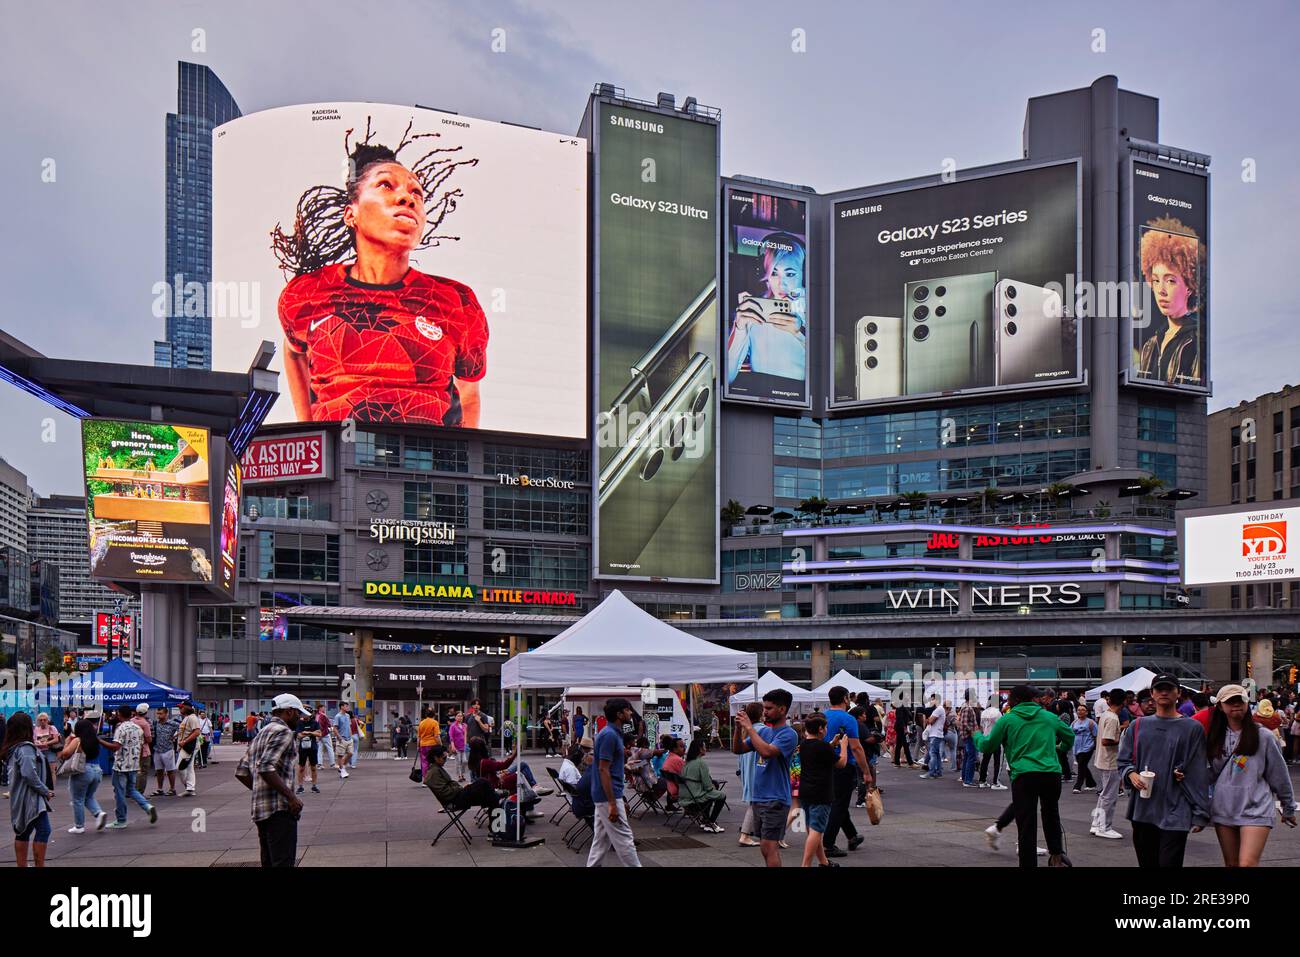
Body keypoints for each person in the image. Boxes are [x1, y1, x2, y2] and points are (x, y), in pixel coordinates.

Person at [275, 132, 488, 425]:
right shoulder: (305, 294)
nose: (406, 198)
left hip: (424, 462)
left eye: (417, 193)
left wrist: (461, 463)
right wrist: (309, 429)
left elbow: (469, 396)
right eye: (385, 185)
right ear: (352, 214)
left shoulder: (456, 301)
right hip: (342, 460)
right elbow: (293, 351)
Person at [1116, 673, 1211, 868]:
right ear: (1152, 693)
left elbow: (1199, 770)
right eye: (1159, 688)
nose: (1164, 692)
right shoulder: (1138, 725)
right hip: (1143, 808)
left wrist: (1201, 812)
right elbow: (1123, 761)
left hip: (1177, 807)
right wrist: (1131, 774)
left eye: (1169, 688)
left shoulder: (1192, 728)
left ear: (1179, 693)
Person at [975, 685, 1074, 868]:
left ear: (1014, 700)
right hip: (1051, 774)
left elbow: (988, 746)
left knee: (1026, 823)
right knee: (1051, 815)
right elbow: (1069, 735)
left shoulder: (1008, 720)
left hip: (1024, 775)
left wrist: (976, 735)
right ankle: (1056, 857)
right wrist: (1061, 748)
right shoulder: (1049, 717)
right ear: (1033, 699)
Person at [1205, 684, 1297, 867]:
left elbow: (1279, 774)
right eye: (1230, 702)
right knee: (1231, 864)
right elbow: (1207, 775)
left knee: (1247, 864)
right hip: (1224, 809)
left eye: (1240, 700)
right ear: (1221, 707)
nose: (1236, 705)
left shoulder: (1264, 736)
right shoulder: (1214, 737)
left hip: (1256, 809)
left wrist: (1288, 806)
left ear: (1247, 703)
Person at [725, 233, 807, 387]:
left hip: (798, 400)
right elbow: (727, 378)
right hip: (760, 395)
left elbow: (828, 375)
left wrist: (800, 333)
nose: (781, 284)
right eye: (774, 273)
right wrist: (739, 328)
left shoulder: (814, 309)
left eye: (790, 274)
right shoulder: (755, 309)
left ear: (803, 275)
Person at [236, 694, 307, 868]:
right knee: (283, 861)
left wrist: (260, 789)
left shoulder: (262, 733)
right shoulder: (284, 732)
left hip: (261, 810)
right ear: (289, 712)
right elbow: (266, 767)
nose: (300, 718)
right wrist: (291, 797)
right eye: (298, 714)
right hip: (279, 810)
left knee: (268, 861)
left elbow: (241, 771)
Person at [734, 689, 799, 868]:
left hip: (776, 798)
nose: (765, 712)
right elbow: (738, 749)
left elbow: (767, 752)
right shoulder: (763, 732)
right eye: (764, 708)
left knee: (770, 847)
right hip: (759, 797)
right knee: (764, 846)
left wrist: (749, 728)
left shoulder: (788, 734)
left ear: (782, 709)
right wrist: (738, 728)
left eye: (769, 708)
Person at [1135, 221, 1202, 387]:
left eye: (1170, 280)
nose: (1161, 290)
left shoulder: (1197, 339)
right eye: (1156, 280)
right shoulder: (1150, 345)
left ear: (1190, 285)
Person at [587, 698, 640, 867]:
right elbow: (603, 769)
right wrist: (612, 803)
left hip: (604, 794)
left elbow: (605, 766)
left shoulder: (611, 733)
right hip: (608, 795)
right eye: (628, 710)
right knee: (624, 838)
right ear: (619, 714)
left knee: (601, 840)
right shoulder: (609, 735)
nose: (630, 712)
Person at [821, 686, 868, 859]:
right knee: (839, 804)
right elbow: (856, 747)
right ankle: (828, 844)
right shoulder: (848, 719)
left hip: (824, 765)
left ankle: (852, 836)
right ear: (845, 699)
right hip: (843, 765)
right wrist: (866, 771)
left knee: (838, 802)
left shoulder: (822, 716)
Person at [3, 712, 55, 866]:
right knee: (44, 830)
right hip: (30, 797)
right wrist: (45, 790)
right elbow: (29, 774)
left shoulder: (14, 748)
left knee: (23, 832)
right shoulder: (26, 748)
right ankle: (39, 865)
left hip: (20, 796)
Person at [798, 713, 849, 868]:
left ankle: (823, 862)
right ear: (820, 729)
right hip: (821, 793)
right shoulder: (821, 747)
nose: (826, 730)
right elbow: (841, 763)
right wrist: (844, 747)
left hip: (805, 791)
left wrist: (832, 744)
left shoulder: (804, 744)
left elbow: (821, 752)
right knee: (817, 831)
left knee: (812, 829)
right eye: (825, 727)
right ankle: (805, 865)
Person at [99, 705, 158, 829]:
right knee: (131, 790)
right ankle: (147, 806)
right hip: (134, 763)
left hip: (121, 765)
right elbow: (142, 745)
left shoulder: (121, 728)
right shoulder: (138, 728)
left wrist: (100, 741)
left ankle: (121, 820)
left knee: (119, 792)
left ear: (119, 714)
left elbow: (115, 746)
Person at [423, 744, 501, 818]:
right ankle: (497, 826)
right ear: (435, 757)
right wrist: (460, 788)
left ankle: (497, 826)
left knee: (491, 797)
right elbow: (445, 793)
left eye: (446, 757)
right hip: (455, 800)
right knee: (483, 783)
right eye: (444, 758)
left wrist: (460, 787)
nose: (445, 760)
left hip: (457, 796)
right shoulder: (433, 773)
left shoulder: (436, 768)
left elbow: (448, 787)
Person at [59, 714, 107, 833]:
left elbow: (65, 754)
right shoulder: (95, 739)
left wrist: (66, 743)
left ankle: (79, 826)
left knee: (77, 799)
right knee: (89, 796)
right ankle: (99, 813)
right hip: (97, 770)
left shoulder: (78, 740)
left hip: (83, 771)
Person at [1090, 688, 1126, 840]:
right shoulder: (1112, 718)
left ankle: (1097, 824)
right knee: (1109, 796)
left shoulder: (1106, 715)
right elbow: (1107, 740)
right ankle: (1104, 826)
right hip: (1110, 761)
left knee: (1105, 794)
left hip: (1103, 759)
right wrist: (1122, 738)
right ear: (1124, 701)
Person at [679, 738, 727, 833]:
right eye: (704, 746)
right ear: (700, 749)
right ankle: (710, 821)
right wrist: (713, 787)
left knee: (711, 795)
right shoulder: (701, 763)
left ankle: (705, 820)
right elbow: (708, 786)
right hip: (695, 797)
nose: (706, 749)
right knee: (721, 796)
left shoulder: (687, 762)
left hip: (685, 796)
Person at [151, 706, 180, 796]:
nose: (159, 716)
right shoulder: (155, 723)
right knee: (159, 770)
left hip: (168, 749)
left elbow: (182, 729)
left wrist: (174, 736)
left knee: (170, 770)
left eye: (161, 713)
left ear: (166, 714)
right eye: (158, 714)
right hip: (157, 749)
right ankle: (160, 788)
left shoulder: (172, 723)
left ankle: (172, 788)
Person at [978, 697, 1006, 789]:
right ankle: (995, 782)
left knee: (985, 760)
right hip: (995, 739)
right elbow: (1001, 726)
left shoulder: (984, 712)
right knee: (997, 762)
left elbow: (982, 726)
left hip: (986, 738)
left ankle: (982, 781)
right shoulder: (997, 713)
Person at [176, 701, 202, 796]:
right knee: (189, 767)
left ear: (187, 708)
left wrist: (184, 741)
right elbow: (186, 731)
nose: (180, 709)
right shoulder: (187, 718)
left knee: (180, 767)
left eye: (181, 707)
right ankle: (190, 788)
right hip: (186, 746)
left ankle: (189, 787)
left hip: (189, 746)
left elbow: (197, 732)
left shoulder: (192, 718)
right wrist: (176, 736)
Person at [1071, 704, 1099, 793]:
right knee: (1083, 766)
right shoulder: (1074, 722)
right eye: (1078, 710)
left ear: (1086, 712)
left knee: (1081, 766)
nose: (1080, 711)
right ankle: (1091, 783)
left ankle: (1077, 786)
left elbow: (1096, 735)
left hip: (1088, 747)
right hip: (1077, 748)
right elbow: (1070, 733)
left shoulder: (1091, 723)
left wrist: (1097, 747)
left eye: (1083, 710)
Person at [32, 712, 62, 790]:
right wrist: (37, 743)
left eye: (44, 720)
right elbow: (33, 740)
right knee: (40, 770)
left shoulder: (52, 728)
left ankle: (51, 789)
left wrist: (46, 743)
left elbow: (56, 739)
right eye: (41, 720)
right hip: (39, 751)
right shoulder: (36, 729)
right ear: (38, 721)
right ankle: (42, 788)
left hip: (50, 751)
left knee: (52, 771)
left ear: (47, 720)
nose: (42, 721)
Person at [295, 709, 321, 795]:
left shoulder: (315, 723)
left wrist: (308, 732)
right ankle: (300, 786)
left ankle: (314, 785)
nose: (304, 715)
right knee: (301, 767)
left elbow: (319, 734)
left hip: (313, 747)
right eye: (303, 713)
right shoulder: (299, 723)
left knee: (313, 767)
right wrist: (313, 733)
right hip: (302, 748)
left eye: (305, 713)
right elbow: (299, 735)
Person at [957, 696, 981, 788]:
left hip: (968, 735)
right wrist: (973, 732)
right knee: (972, 757)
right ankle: (967, 780)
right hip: (969, 736)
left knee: (968, 757)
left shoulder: (966, 707)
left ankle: (965, 778)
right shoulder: (968, 708)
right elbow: (965, 723)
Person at [920, 696, 946, 779]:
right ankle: (938, 772)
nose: (931, 701)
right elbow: (930, 720)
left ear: (936, 700)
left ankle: (931, 772)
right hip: (937, 734)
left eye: (932, 699)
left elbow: (929, 721)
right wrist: (929, 720)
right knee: (936, 754)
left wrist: (928, 720)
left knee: (933, 754)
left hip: (935, 734)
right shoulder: (940, 709)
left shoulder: (938, 709)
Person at [129, 704, 152, 796]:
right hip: (143, 751)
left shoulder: (130, 721)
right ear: (145, 712)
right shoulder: (144, 723)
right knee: (142, 772)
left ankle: (131, 790)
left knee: (132, 771)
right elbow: (149, 739)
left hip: (131, 750)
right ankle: (139, 793)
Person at [416, 708, 441, 782]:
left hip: (423, 745)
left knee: (424, 762)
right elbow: (437, 736)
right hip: (432, 744)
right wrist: (440, 745)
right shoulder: (435, 722)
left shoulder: (421, 723)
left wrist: (418, 746)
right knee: (433, 762)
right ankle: (433, 779)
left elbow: (419, 737)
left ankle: (425, 780)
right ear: (434, 714)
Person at [892, 702, 918, 768]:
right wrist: (905, 728)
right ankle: (910, 763)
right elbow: (900, 718)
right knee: (906, 745)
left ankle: (897, 762)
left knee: (899, 745)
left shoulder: (903, 705)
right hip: (901, 728)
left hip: (901, 727)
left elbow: (904, 717)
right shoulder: (901, 706)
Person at [332, 703, 354, 779]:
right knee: (340, 755)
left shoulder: (348, 716)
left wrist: (351, 736)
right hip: (342, 738)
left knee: (350, 753)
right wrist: (339, 737)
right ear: (341, 707)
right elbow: (334, 728)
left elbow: (349, 726)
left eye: (348, 706)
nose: (347, 707)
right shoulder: (338, 716)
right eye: (346, 706)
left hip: (349, 738)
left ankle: (342, 766)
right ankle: (342, 770)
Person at [447, 711, 467, 782]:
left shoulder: (464, 725)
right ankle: (460, 776)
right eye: (458, 716)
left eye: (461, 716)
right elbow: (451, 737)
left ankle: (463, 773)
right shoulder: (453, 726)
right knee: (458, 762)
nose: (460, 717)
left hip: (463, 746)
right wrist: (453, 746)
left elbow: (465, 735)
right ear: (455, 717)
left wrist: (466, 744)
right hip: (456, 746)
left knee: (464, 761)